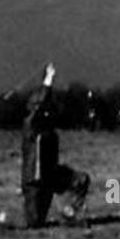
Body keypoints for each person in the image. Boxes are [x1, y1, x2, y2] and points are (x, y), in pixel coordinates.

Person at [21, 62, 90, 228]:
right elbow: (39, 102)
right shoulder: (31, 125)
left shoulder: (49, 128)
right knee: (35, 223)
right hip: (35, 180)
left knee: (81, 180)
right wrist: (48, 80)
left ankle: (70, 212)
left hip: (51, 175)